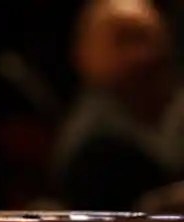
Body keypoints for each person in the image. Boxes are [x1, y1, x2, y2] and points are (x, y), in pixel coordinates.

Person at [54, 0, 184, 210]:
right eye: (124, 39)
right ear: (84, 53)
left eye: (149, 38)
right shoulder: (92, 145)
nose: (143, 55)